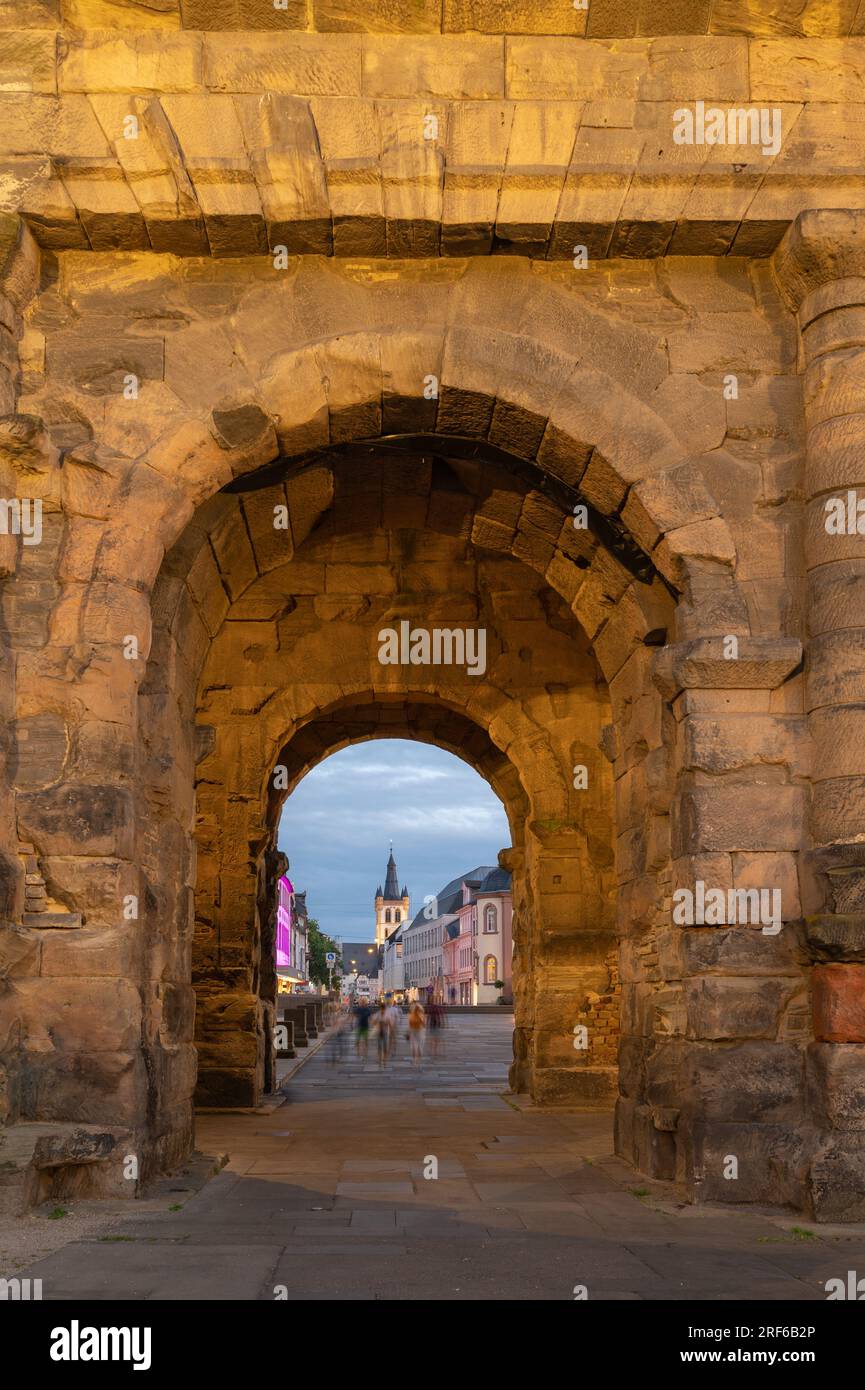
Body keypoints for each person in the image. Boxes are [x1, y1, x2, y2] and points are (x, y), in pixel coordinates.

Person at [407, 1000, 426, 1065]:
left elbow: (423, 1024)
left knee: (417, 1046)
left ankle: (416, 1059)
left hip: (417, 1031)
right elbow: (410, 1024)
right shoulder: (413, 1015)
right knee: (416, 1046)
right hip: (416, 1031)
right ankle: (416, 1059)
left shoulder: (417, 1015)